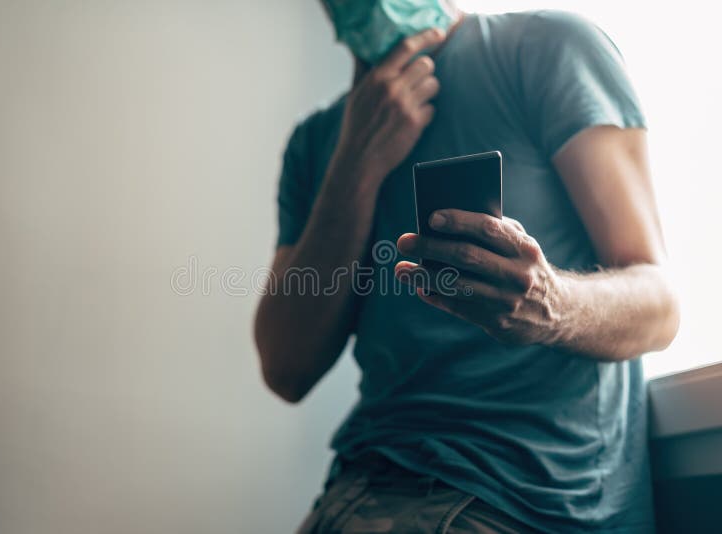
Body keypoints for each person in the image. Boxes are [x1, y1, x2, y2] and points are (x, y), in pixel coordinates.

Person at [254, 1, 679, 532]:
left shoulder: (547, 47)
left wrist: (551, 305)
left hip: (520, 500)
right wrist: (354, 162)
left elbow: (661, 305)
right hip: (353, 492)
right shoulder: (313, 144)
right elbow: (285, 367)